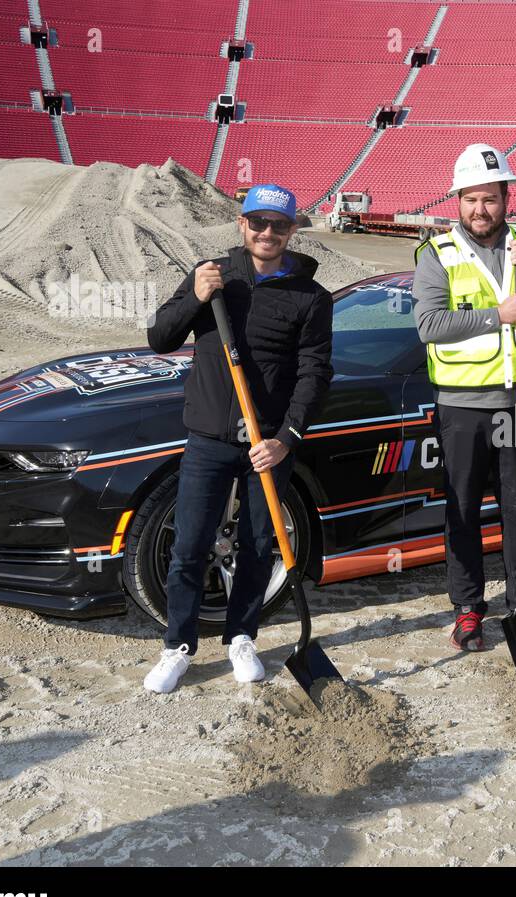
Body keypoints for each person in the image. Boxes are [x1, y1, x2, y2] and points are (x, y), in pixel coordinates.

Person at [142, 183, 333, 693]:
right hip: (208, 438)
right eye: (259, 222)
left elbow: (314, 375)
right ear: (242, 223)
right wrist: (196, 297)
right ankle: (177, 646)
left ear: (292, 231)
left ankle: (242, 637)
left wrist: (286, 438)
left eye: (279, 225)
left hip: (268, 444)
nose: (268, 232)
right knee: (189, 545)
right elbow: (160, 338)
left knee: (258, 543)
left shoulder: (312, 297)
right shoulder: (212, 275)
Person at [413, 143, 516, 651]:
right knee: (462, 511)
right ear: (457, 201)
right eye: (470, 199)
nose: (480, 209)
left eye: (489, 198)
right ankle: (467, 609)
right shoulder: (438, 254)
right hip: (461, 407)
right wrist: (497, 316)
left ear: (507, 198)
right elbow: (429, 325)